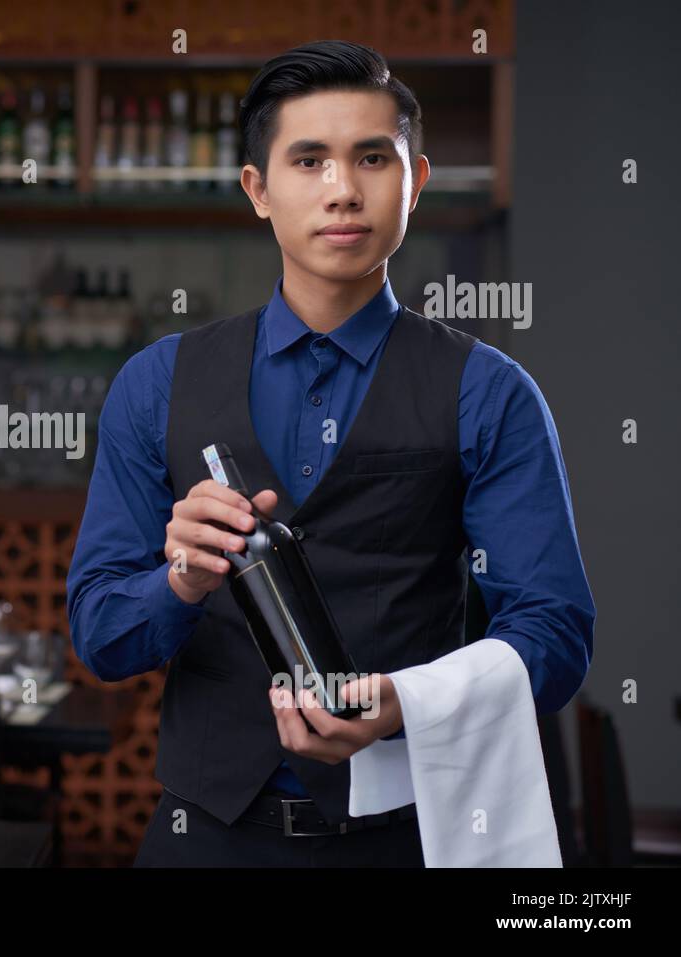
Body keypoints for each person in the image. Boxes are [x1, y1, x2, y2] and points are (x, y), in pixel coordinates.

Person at [66, 40, 595, 867]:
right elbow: (100, 636)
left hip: (405, 840)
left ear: (414, 182)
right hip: (203, 839)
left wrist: (408, 703)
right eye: (308, 160)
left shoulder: (489, 392)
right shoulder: (156, 382)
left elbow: (555, 638)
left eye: (372, 158)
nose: (342, 190)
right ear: (258, 190)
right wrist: (181, 579)